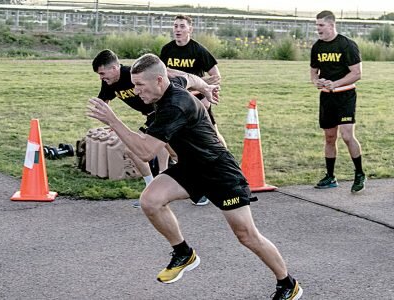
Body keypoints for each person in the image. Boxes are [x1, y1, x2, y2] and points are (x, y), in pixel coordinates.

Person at [87, 53, 303, 300]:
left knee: (247, 235)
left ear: (158, 81)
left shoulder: (175, 106)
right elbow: (190, 79)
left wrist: (112, 120)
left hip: (218, 171)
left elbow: (146, 152)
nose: (135, 92)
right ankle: (183, 253)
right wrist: (207, 88)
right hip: (190, 166)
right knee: (151, 200)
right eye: (134, 85)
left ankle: (288, 284)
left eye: (140, 86)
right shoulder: (171, 85)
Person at [92, 49, 177, 208]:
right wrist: (108, 121)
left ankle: (199, 189)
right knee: (135, 150)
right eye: (99, 75)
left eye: (103, 73)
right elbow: (103, 103)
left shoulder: (133, 74)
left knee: (174, 153)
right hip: (152, 116)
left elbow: (166, 75)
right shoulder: (108, 83)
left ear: (115, 68)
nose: (102, 78)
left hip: (162, 113)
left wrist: (201, 84)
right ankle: (153, 190)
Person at [160, 15, 226, 206]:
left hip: (197, 101)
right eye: (175, 26)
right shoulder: (167, 49)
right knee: (171, 137)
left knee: (211, 134)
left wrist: (205, 95)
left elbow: (216, 77)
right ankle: (178, 168)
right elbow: (162, 74)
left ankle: (224, 164)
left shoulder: (197, 50)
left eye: (182, 26)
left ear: (190, 29)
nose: (178, 29)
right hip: (175, 102)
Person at [310, 10, 366, 193]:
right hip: (327, 97)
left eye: (321, 25)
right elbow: (313, 72)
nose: (317, 29)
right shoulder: (317, 47)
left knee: (347, 136)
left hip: (345, 96)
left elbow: (357, 74)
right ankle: (330, 176)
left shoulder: (346, 45)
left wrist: (336, 84)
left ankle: (359, 174)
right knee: (329, 137)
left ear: (331, 25)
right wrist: (317, 82)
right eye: (317, 25)